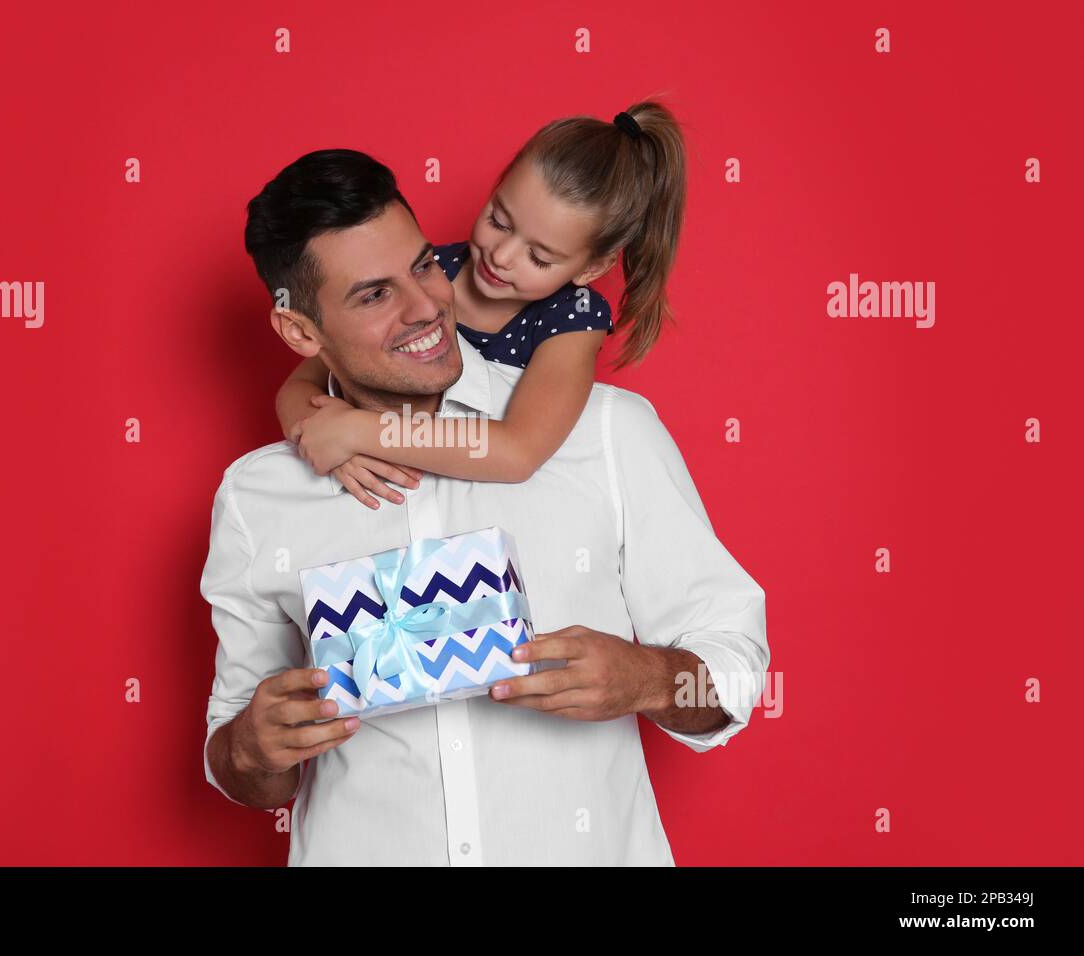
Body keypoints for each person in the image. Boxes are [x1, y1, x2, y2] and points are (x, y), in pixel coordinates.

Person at [200, 148, 768, 865]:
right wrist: (252, 748)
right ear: (301, 333)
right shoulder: (258, 497)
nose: (426, 307)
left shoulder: (605, 432)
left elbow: (738, 671)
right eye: (374, 296)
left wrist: (648, 679)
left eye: (424, 265)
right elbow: (237, 760)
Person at [273, 100, 685, 508]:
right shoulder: (427, 276)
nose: (501, 256)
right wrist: (320, 438)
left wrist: (359, 432)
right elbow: (299, 385)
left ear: (592, 267)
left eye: (538, 257)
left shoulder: (573, 317)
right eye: (498, 221)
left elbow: (518, 451)